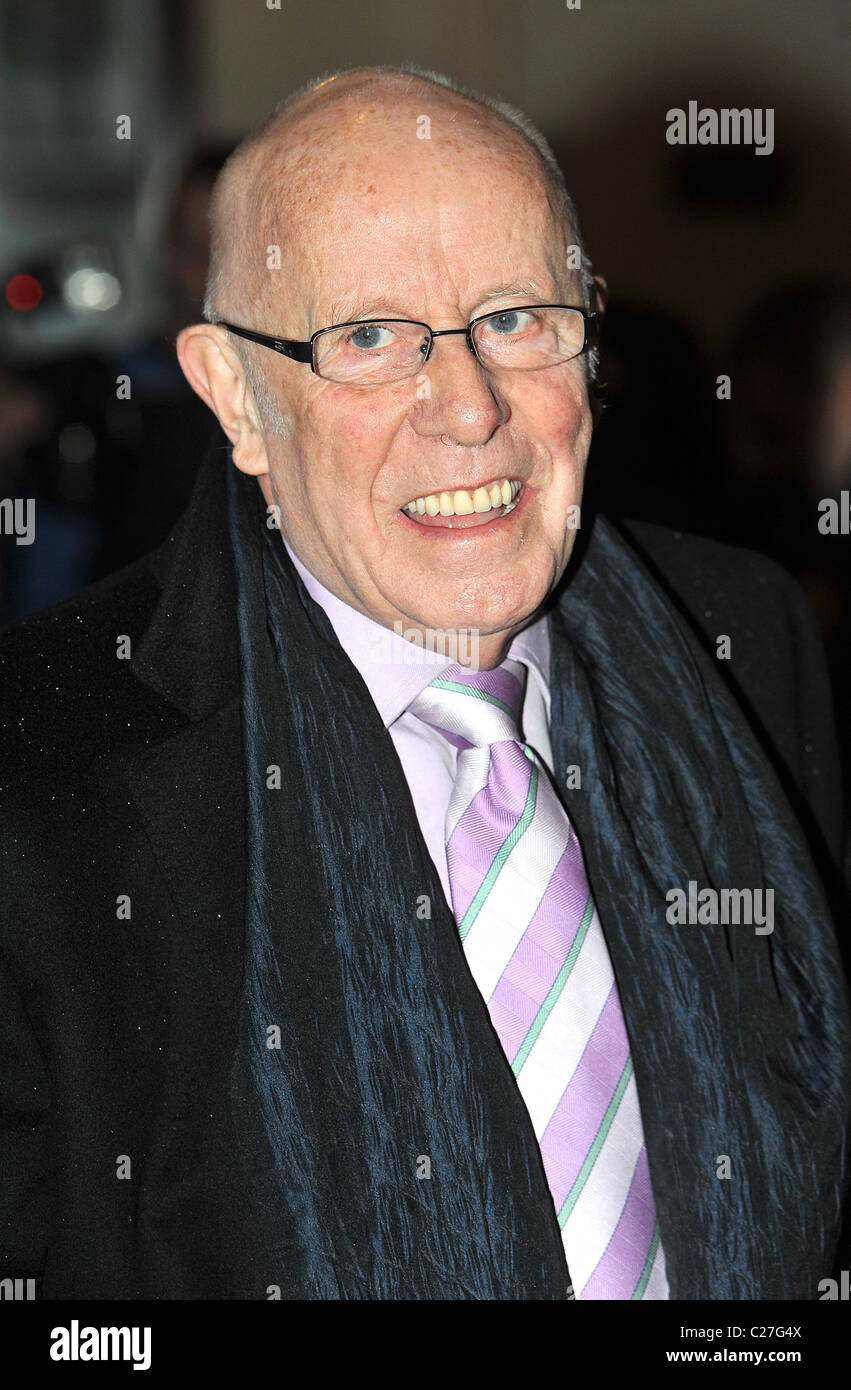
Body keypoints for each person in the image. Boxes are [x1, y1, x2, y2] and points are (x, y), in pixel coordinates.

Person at [1, 64, 849, 1302]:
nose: (466, 407)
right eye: (367, 337)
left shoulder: (741, 638)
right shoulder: (39, 768)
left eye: (515, 317)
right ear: (235, 395)